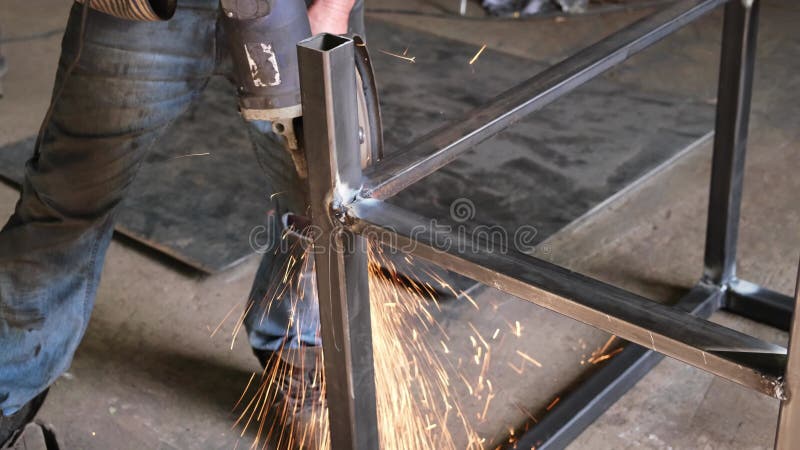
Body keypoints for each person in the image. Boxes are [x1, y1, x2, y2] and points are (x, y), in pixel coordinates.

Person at [0, 0, 361, 447]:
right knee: (66, 203)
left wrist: (333, 6)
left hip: (304, 7)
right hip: (140, 18)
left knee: (324, 201)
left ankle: (297, 348)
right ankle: (7, 387)